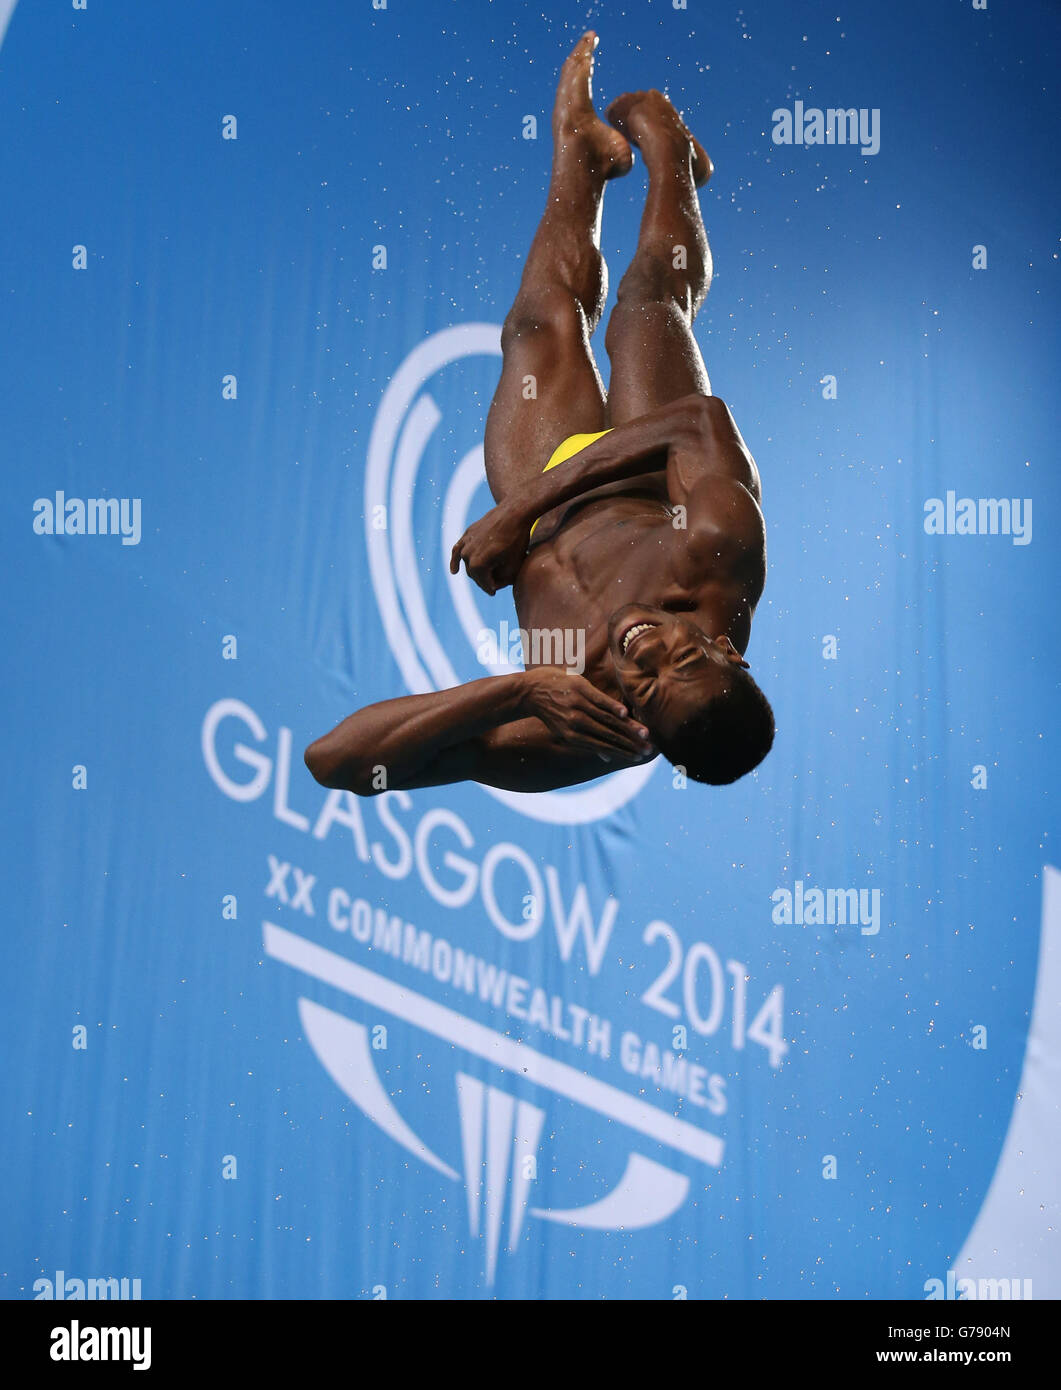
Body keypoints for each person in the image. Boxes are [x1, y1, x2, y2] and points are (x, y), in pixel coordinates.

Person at [306, 31, 771, 797]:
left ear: (645, 731)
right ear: (726, 647)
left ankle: (582, 154)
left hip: (547, 513)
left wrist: (519, 690)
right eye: (682, 654)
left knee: (537, 323)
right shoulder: (718, 553)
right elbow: (697, 425)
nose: (643, 645)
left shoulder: (571, 736)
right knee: (647, 309)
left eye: (645, 684)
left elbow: (337, 761)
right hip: (641, 471)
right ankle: (672, 163)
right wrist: (513, 512)